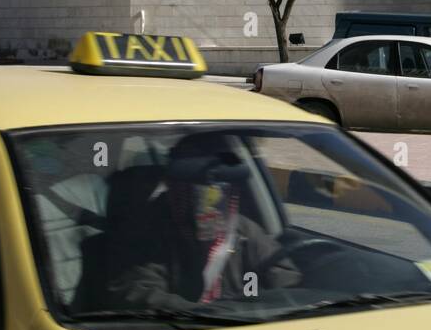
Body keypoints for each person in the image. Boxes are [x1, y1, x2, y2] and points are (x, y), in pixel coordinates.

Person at [104, 132, 298, 312]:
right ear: (175, 188)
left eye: (221, 189)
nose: (211, 202)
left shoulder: (244, 230)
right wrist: (207, 314)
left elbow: (285, 280)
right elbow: (138, 291)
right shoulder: (148, 228)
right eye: (198, 189)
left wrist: (255, 307)